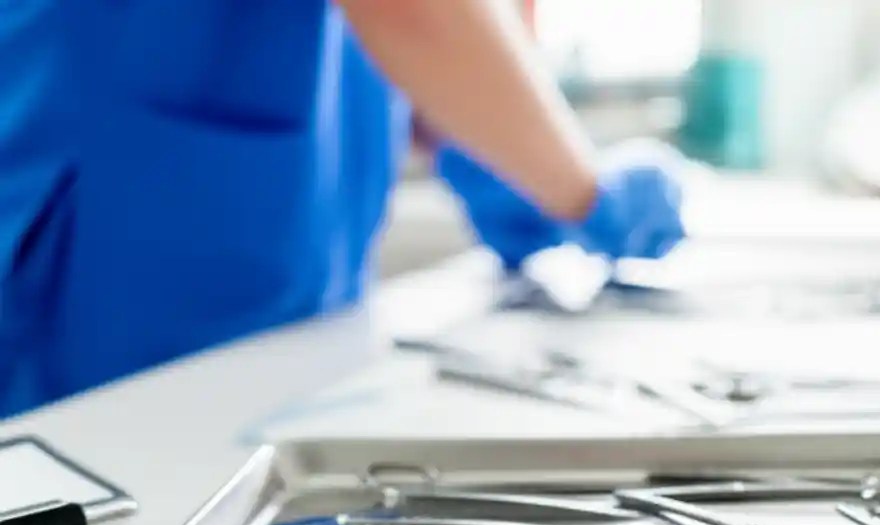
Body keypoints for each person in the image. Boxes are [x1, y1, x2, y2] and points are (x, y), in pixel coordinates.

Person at [0, 0, 686, 419]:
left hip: (252, 264)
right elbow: (411, 11)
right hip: (99, 250)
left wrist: (487, 147)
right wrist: (578, 187)